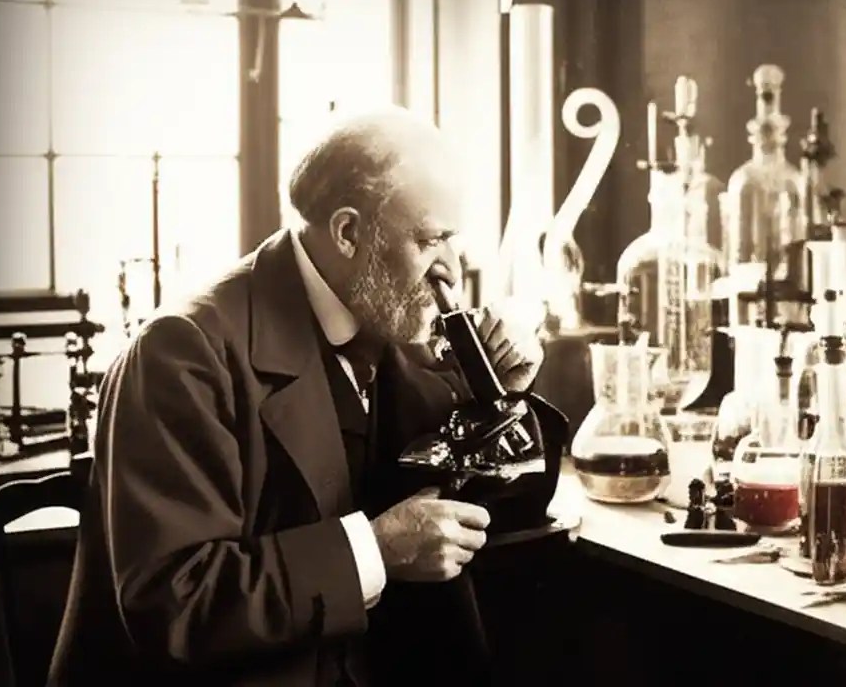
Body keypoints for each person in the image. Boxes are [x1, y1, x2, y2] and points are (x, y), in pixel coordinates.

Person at [48, 108, 567, 686]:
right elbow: (174, 604)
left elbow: (504, 516)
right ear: (348, 233)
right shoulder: (180, 354)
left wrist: (501, 399)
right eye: (431, 239)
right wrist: (373, 552)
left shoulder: (403, 335)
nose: (450, 268)